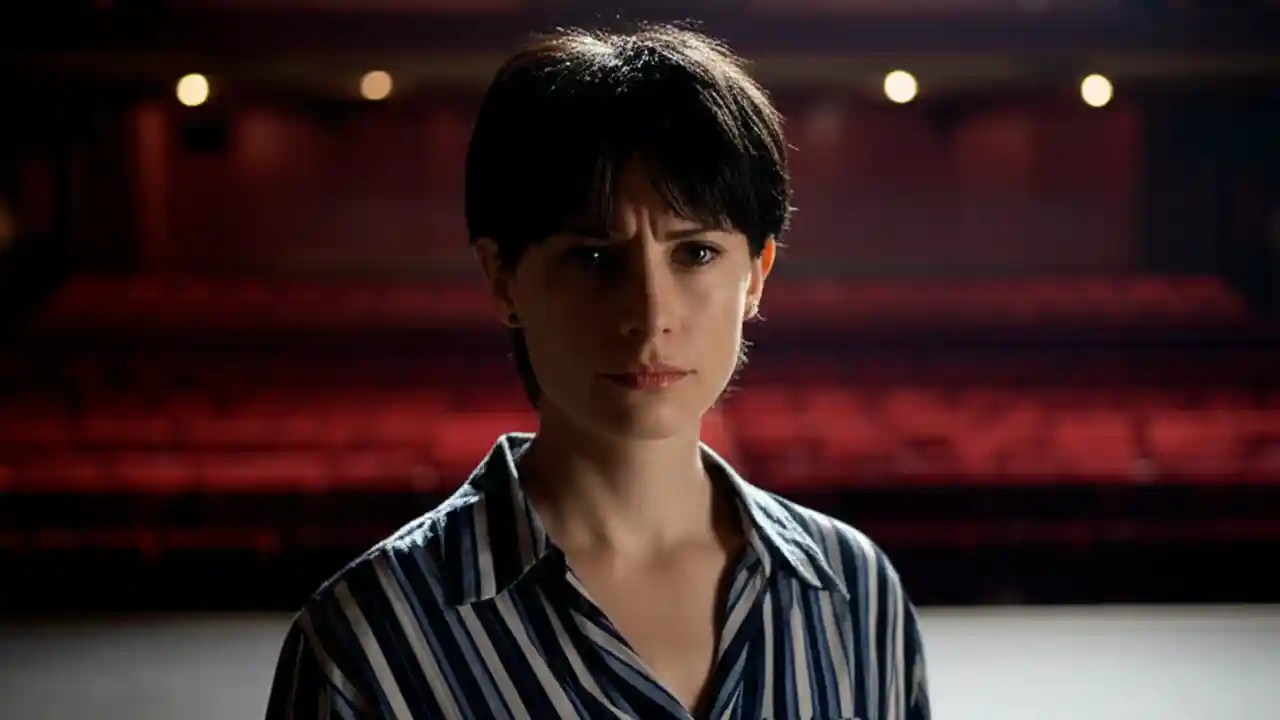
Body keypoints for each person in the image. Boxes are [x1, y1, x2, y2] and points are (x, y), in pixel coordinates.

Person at [266, 23, 930, 720]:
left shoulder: (855, 593)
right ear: (504, 280)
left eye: (695, 253)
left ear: (756, 274)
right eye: (591, 258)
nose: (648, 315)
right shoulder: (369, 639)